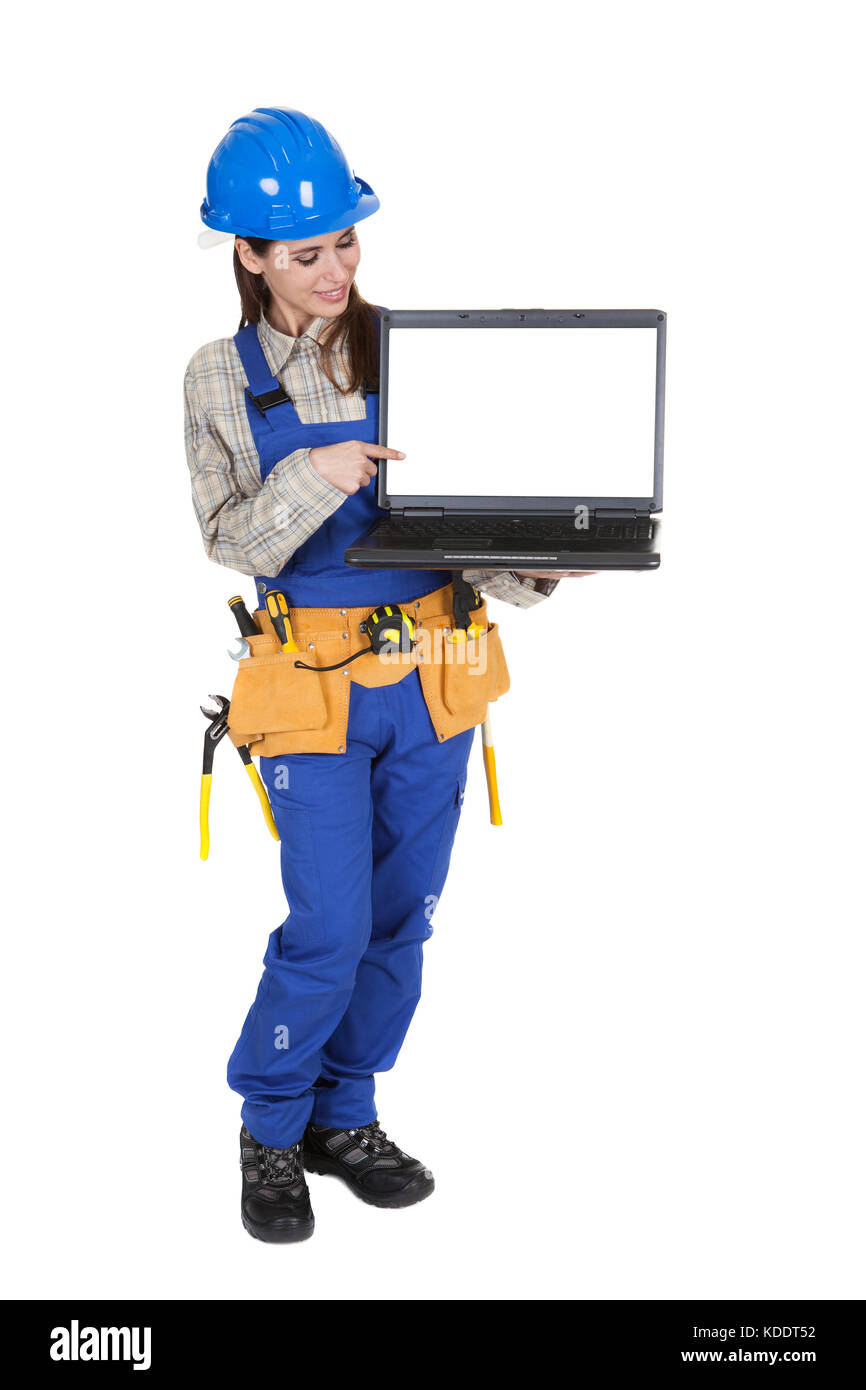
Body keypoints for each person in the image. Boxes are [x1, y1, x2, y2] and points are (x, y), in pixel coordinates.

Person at [185, 107, 590, 1243]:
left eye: (344, 244)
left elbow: (462, 525)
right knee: (328, 920)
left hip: (435, 670)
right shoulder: (219, 375)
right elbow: (230, 536)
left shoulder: (412, 349)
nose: (332, 269)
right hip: (304, 683)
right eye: (304, 253)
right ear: (250, 254)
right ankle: (270, 1127)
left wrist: (546, 562)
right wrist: (316, 471)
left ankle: (344, 1116)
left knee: (402, 916)